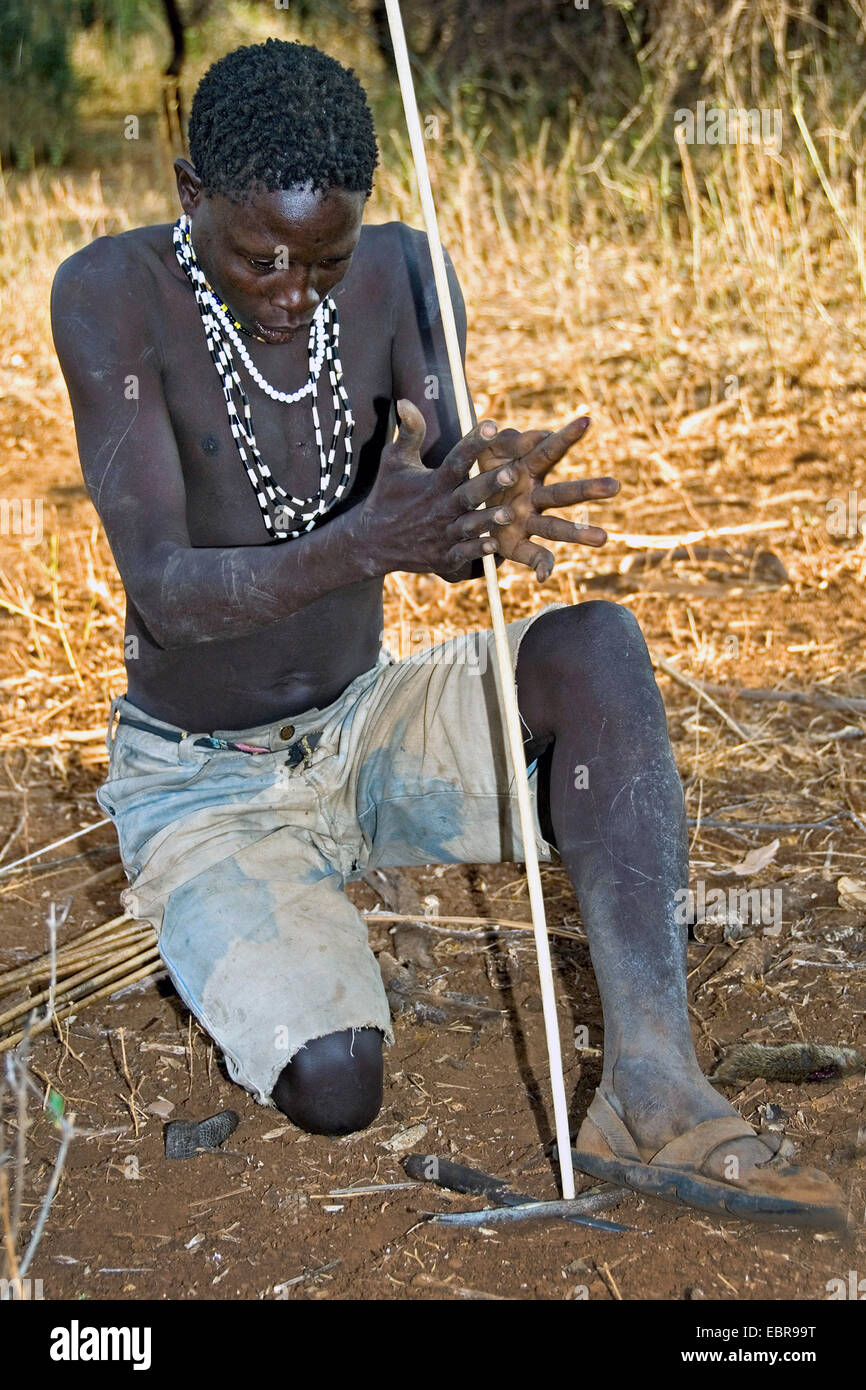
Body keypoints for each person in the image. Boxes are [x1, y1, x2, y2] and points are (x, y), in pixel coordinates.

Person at [51, 39, 844, 1227]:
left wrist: (487, 505)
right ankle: (235, 913)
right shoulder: (108, 295)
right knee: (334, 1086)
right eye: (258, 255)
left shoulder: (406, 276)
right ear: (186, 195)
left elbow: (446, 518)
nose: (292, 291)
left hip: (367, 724)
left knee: (592, 648)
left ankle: (651, 1083)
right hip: (206, 782)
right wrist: (365, 542)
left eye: (323, 259)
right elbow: (167, 587)